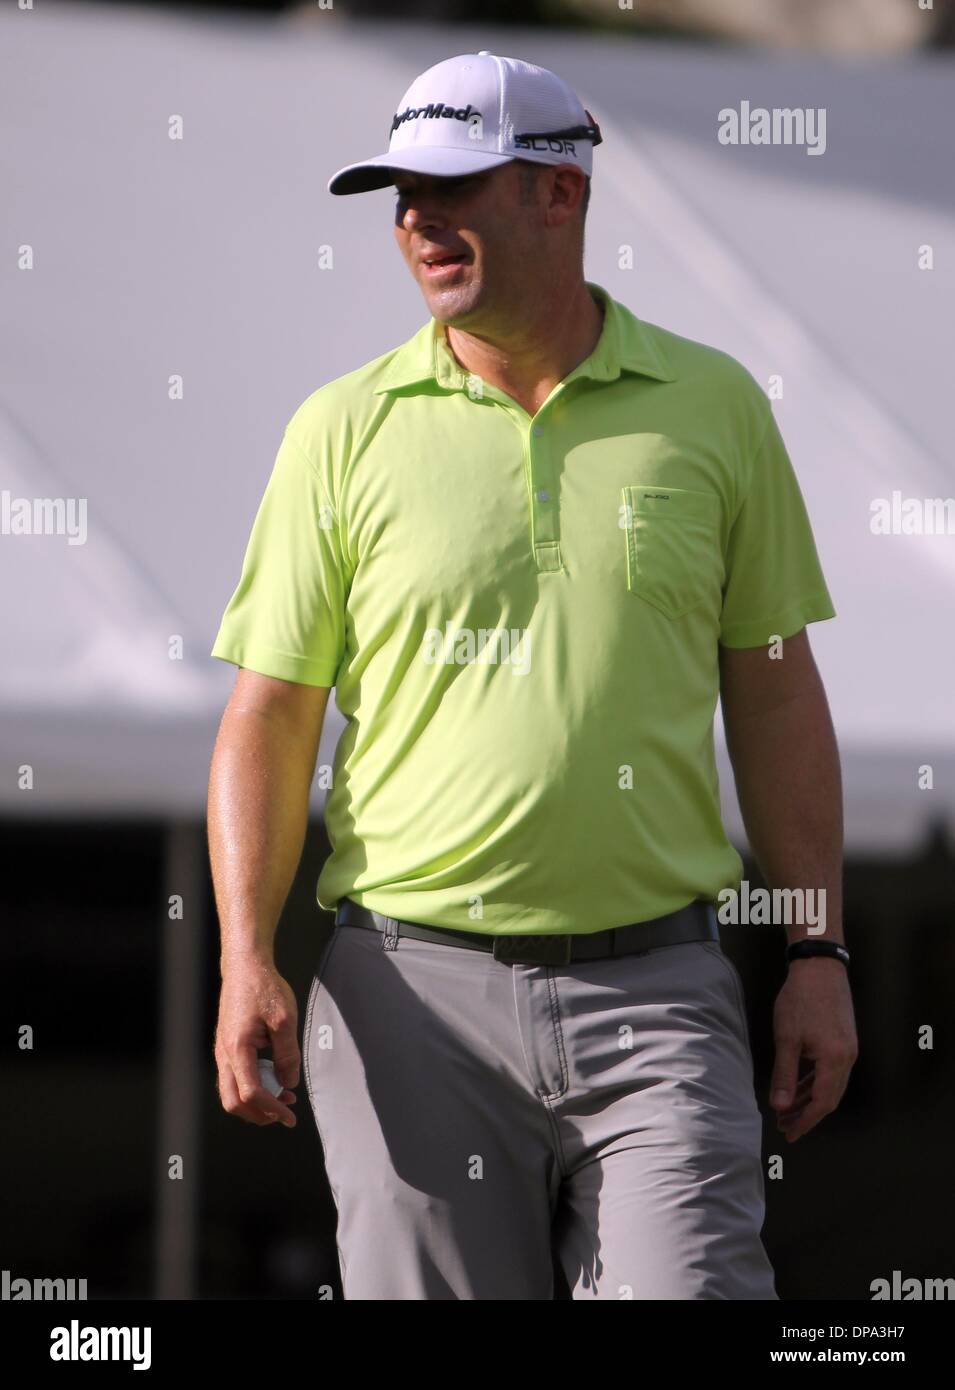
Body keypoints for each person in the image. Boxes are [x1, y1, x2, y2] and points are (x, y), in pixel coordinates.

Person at [208, 51, 858, 1300]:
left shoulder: (715, 409)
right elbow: (269, 717)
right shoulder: (340, 428)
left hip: (662, 994)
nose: (415, 221)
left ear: (560, 194)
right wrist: (246, 955)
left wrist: (817, 952)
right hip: (405, 1000)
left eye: (451, 186)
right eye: (400, 194)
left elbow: (775, 695)